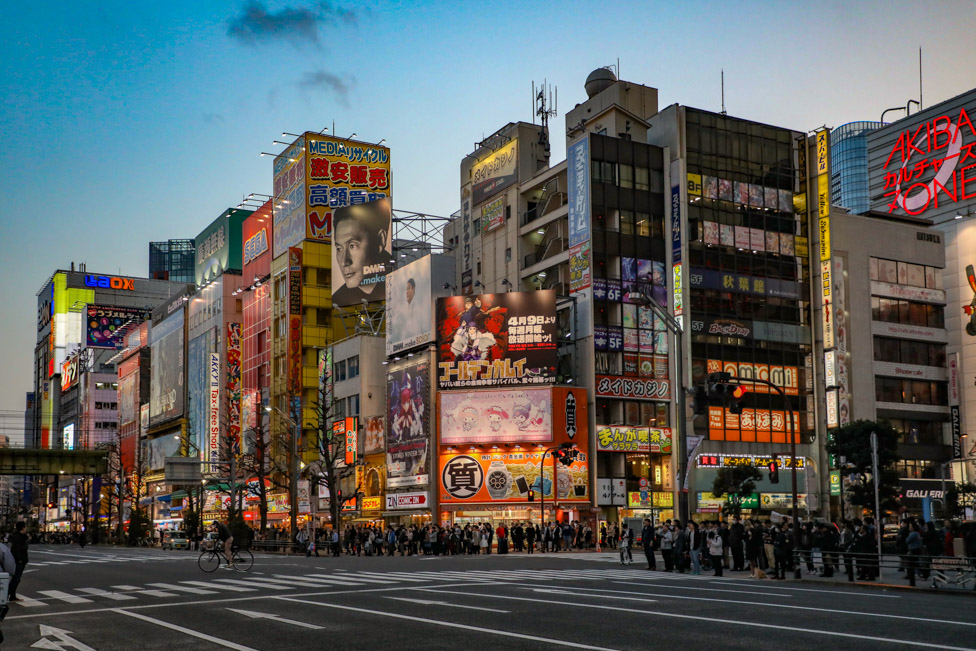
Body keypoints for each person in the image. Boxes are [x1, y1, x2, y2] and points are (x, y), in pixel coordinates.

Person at [331, 198, 394, 305]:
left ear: (380, 240)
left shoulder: (400, 281)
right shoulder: (338, 299)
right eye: (339, 249)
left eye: (352, 246)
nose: (344, 262)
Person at [8, 521, 29, 601]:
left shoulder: (20, 536)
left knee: (16, 579)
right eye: (25, 527)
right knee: (16, 579)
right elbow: (17, 549)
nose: (26, 529)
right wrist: (19, 559)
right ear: (23, 528)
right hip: (19, 561)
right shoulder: (18, 537)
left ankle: (12, 596)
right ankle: (6, 595)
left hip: (21, 560)